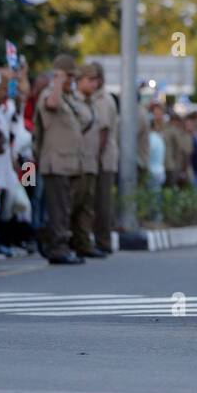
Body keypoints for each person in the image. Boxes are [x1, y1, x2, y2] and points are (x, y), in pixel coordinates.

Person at [36, 54, 86, 265]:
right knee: (58, 208)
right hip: (55, 162)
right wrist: (57, 79)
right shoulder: (50, 94)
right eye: (69, 77)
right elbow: (52, 104)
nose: (71, 81)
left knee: (65, 207)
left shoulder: (69, 97)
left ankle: (61, 244)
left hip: (70, 164)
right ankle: (57, 247)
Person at [70, 63, 105, 259]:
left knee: (86, 206)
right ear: (79, 80)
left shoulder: (92, 103)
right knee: (72, 204)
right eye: (90, 80)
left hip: (90, 161)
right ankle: (65, 241)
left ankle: (83, 244)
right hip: (76, 162)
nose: (95, 83)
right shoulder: (74, 102)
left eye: (96, 80)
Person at [88, 63, 119, 253]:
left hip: (102, 159)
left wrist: (96, 157)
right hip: (97, 157)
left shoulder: (103, 100)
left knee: (101, 202)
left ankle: (103, 241)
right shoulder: (92, 99)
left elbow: (103, 131)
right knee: (96, 202)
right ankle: (99, 240)